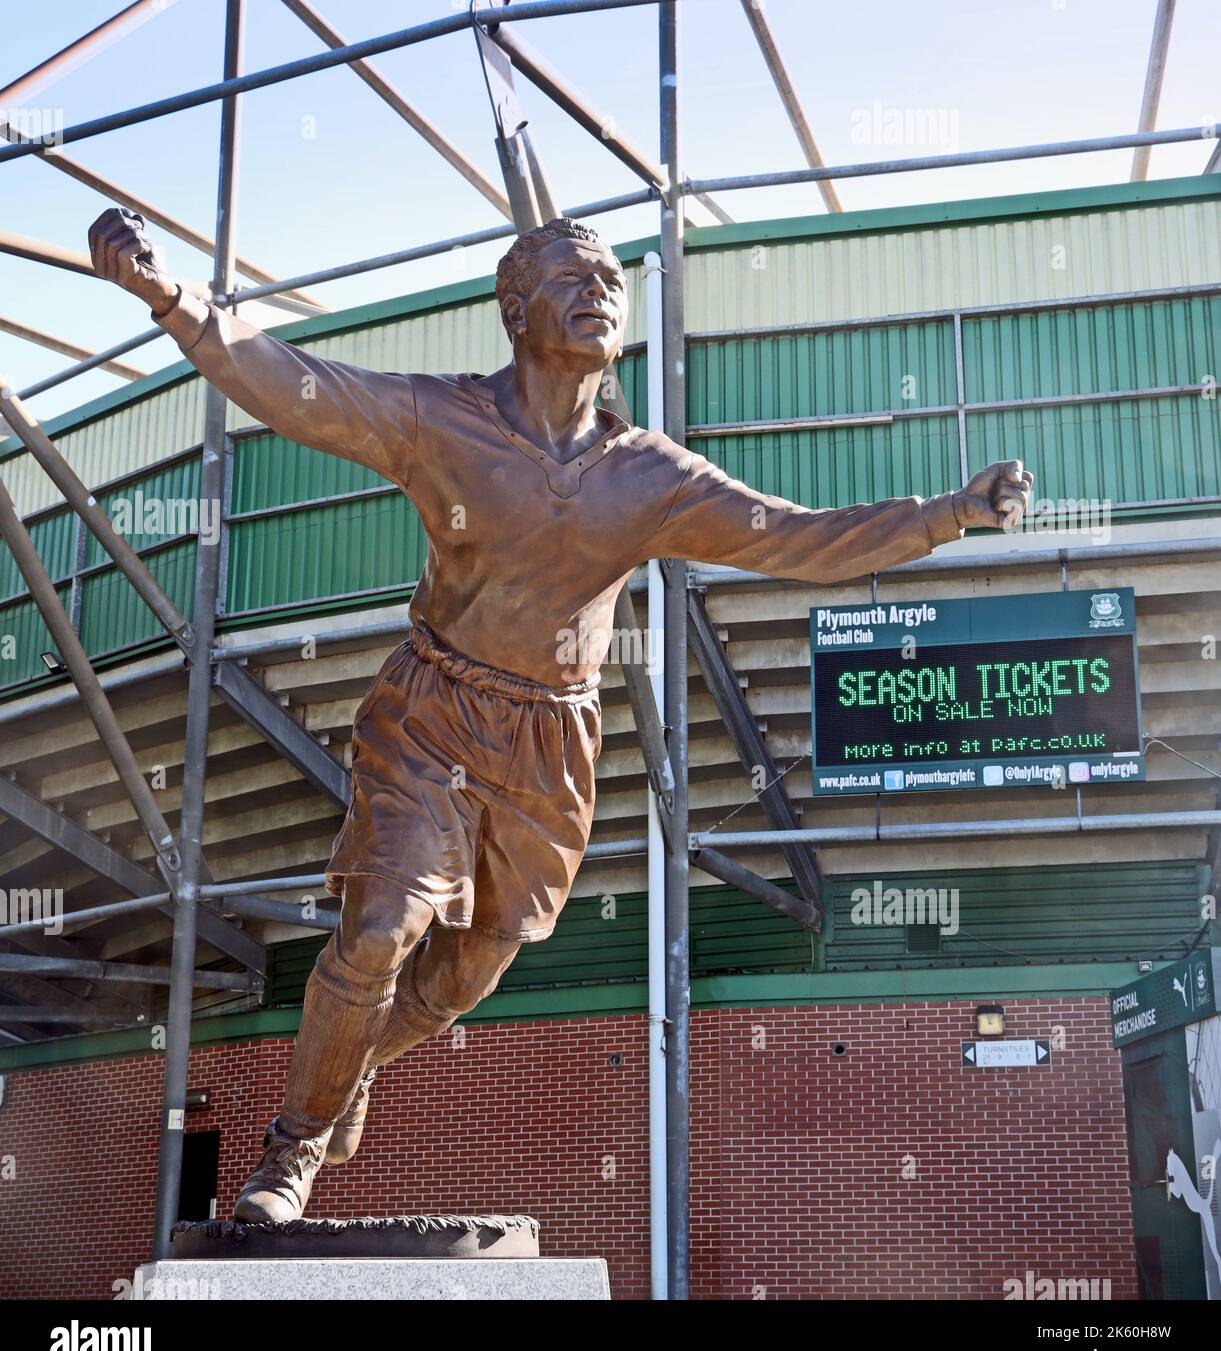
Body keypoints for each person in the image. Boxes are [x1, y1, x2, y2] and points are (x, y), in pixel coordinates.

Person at [88, 207, 1034, 1220]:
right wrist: (168, 296)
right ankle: (293, 1151)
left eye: (611, 283)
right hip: (434, 719)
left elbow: (797, 538)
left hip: (551, 747)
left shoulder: (651, 475)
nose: (599, 294)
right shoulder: (438, 419)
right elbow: (296, 387)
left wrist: (948, 513)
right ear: (513, 305)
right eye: (572, 278)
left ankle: (354, 1061)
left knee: (464, 977)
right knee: (378, 929)